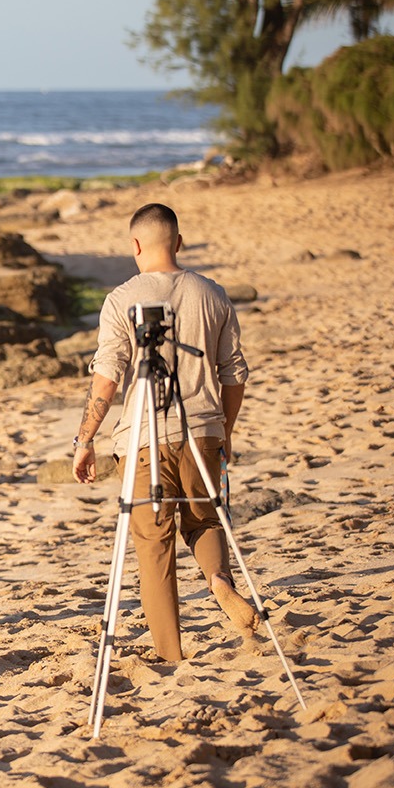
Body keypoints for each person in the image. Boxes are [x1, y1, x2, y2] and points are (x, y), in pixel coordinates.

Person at [72, 203, 257, 662]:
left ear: (135, 245)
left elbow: (108, 377)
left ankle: (171, 654)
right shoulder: (212, 294)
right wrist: (224, 433)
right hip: (203, 430)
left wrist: (85, 439)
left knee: (154, 548)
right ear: (178, 241)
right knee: (206, 520)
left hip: (141, 438)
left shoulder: (122, 299)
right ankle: (218, 582)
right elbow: (234, 373)